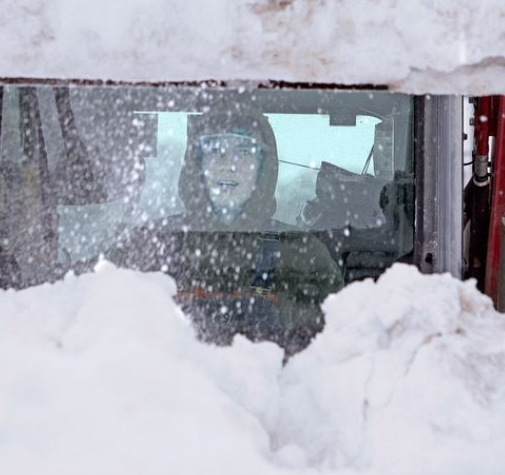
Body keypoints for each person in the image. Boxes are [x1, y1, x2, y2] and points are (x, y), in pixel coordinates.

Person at [106, 107, 343, 353]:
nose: (229, 165)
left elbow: (333, 350)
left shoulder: (301, 252)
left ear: (264, 166)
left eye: (244, 152)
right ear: (196, 163)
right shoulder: (148, 244)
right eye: (214, 150)